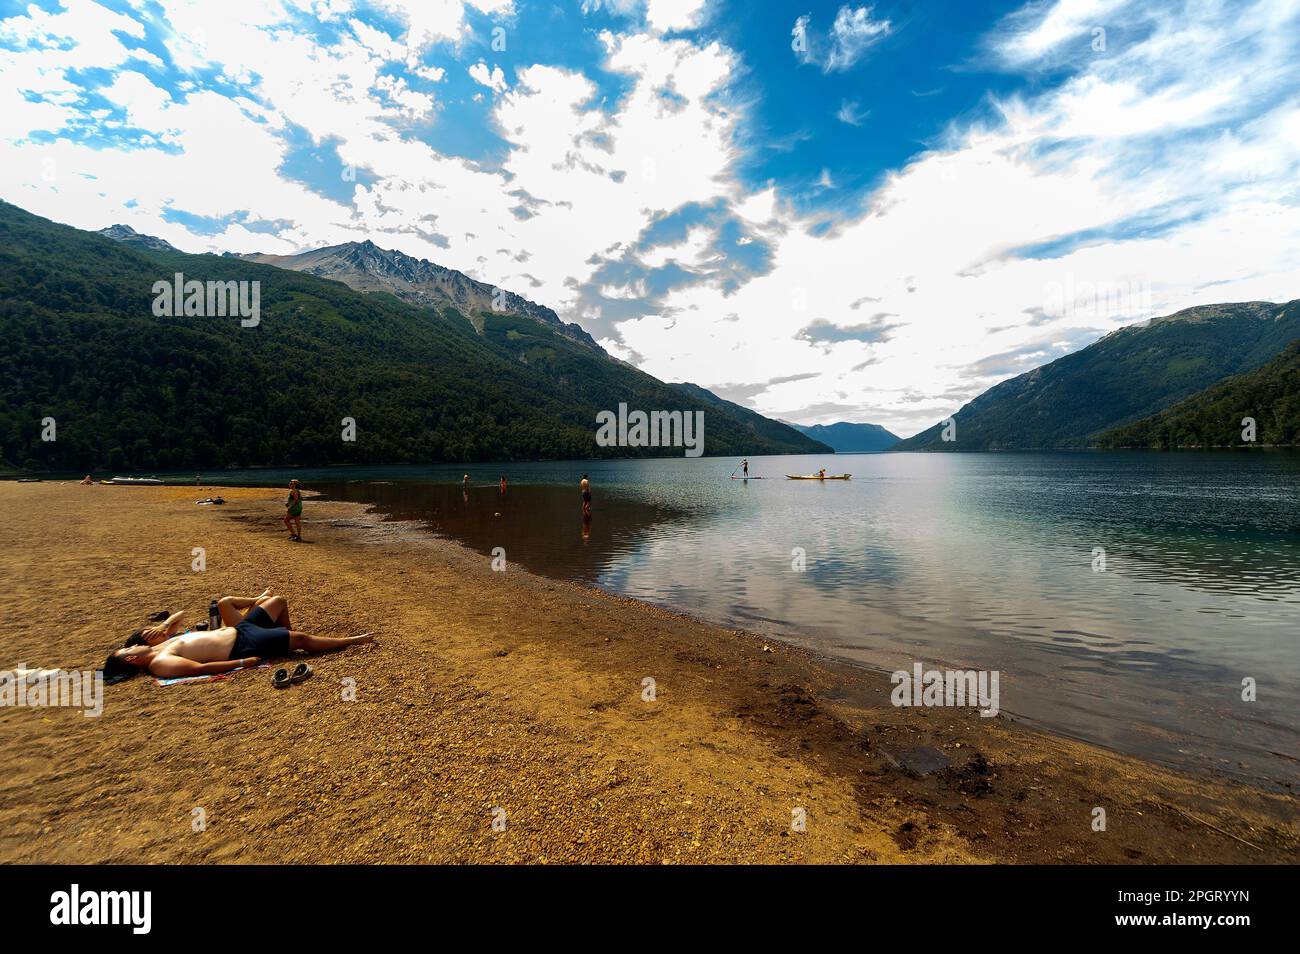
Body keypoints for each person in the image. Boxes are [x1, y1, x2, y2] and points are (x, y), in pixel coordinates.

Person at [103, 608, 373, 682]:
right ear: (129, 660)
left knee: (276, 601)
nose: (131, 646)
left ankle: (282, 636)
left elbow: (180, 616)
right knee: (300, 640)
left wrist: (163, 627)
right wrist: (242, 663)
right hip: (243, 644)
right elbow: (199, 668)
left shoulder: (157, 646)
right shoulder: (160, 663)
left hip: (238, 629)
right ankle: (350, 641)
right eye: (127, 650)